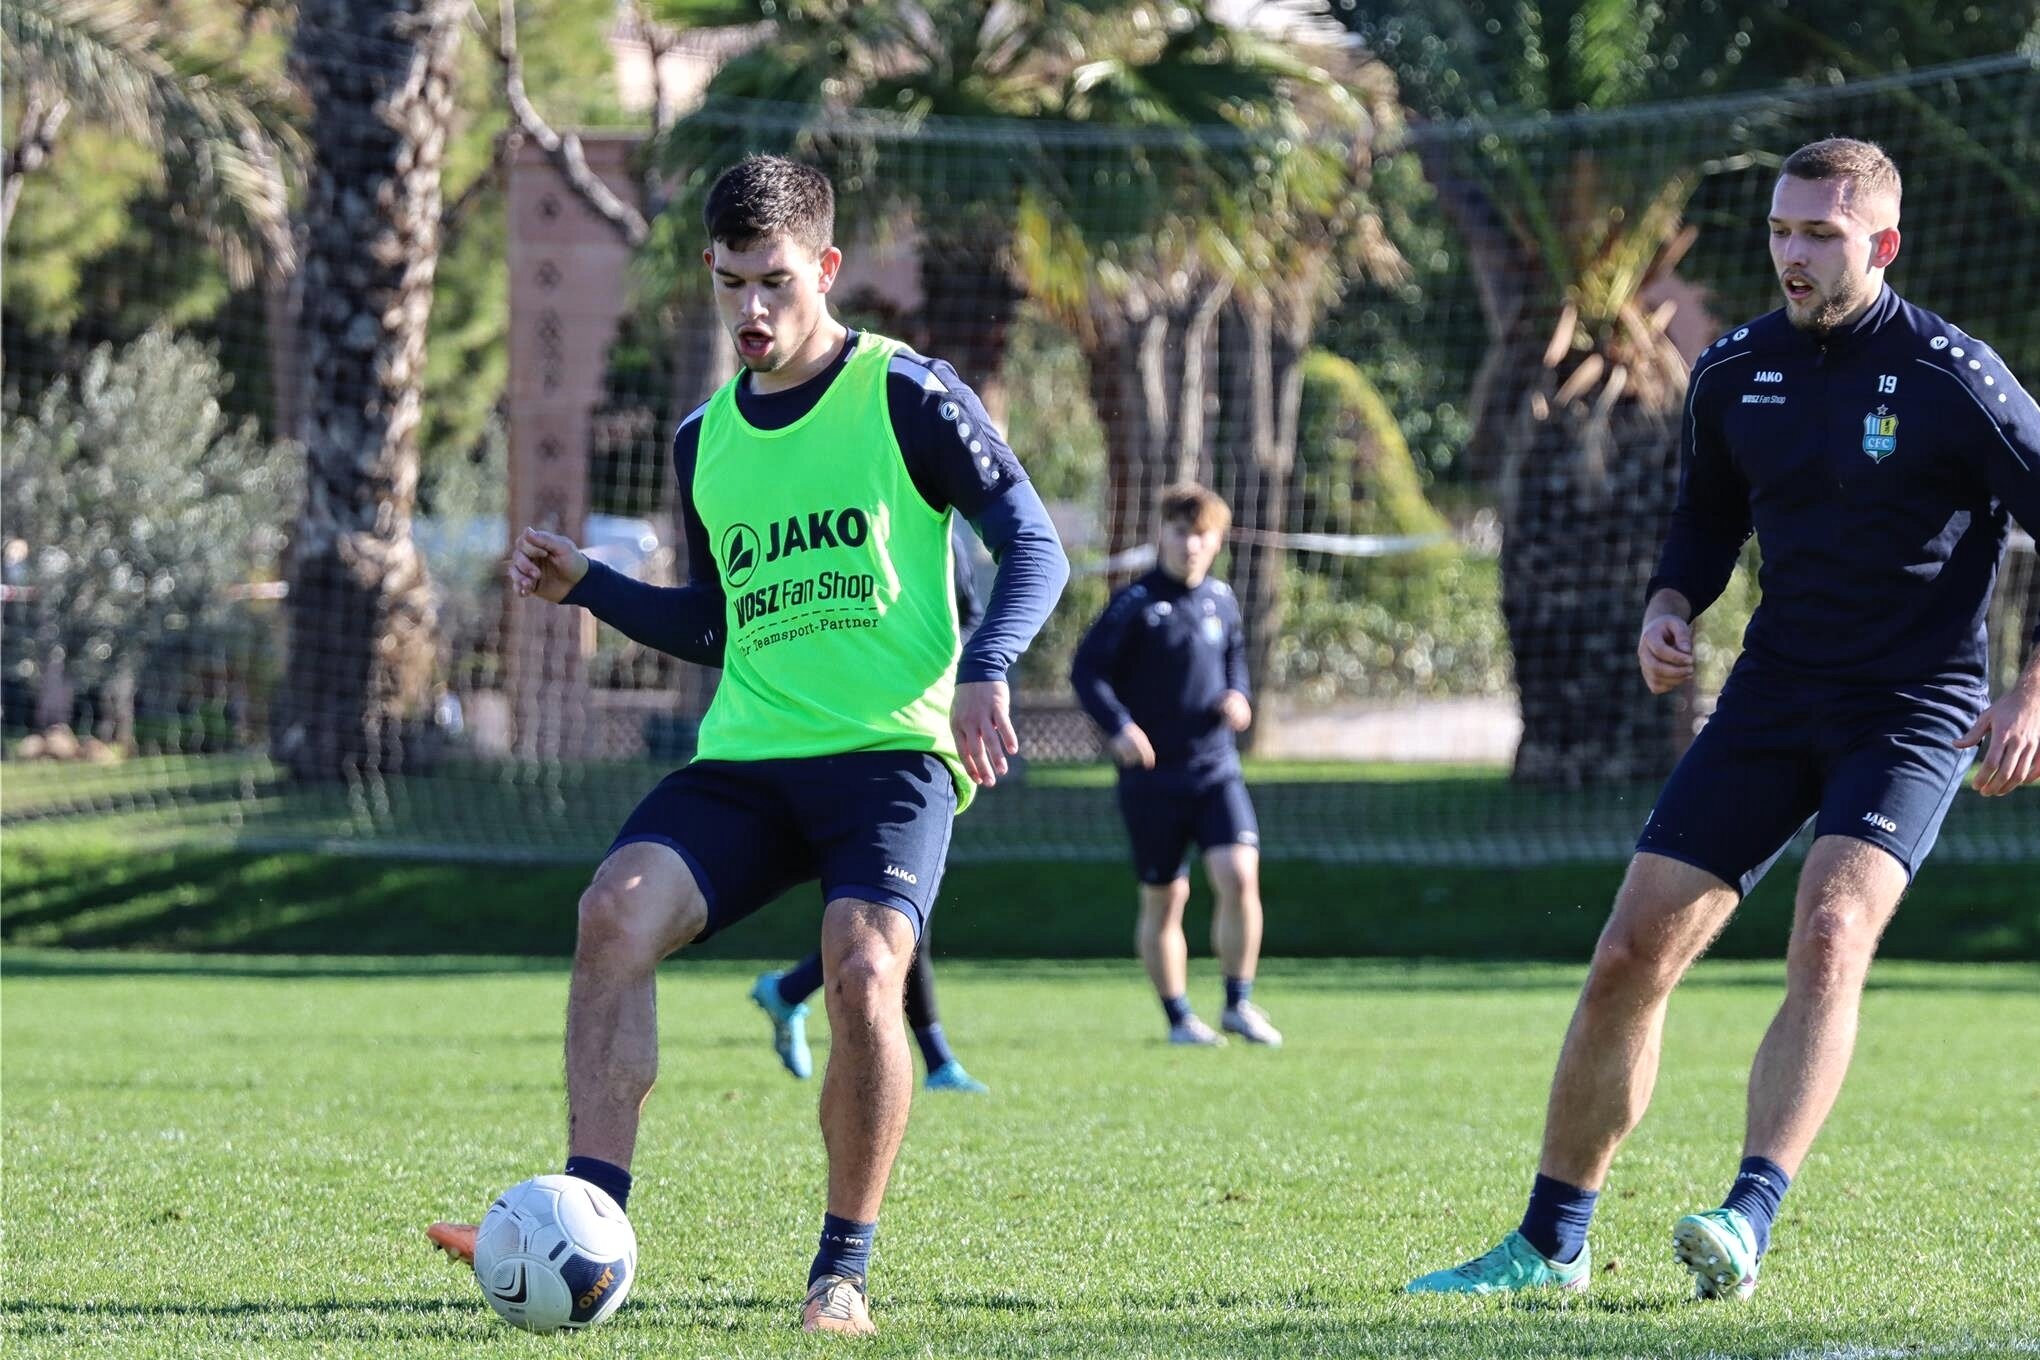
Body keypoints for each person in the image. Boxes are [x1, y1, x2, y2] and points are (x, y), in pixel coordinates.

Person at [426, 154, 1068, 1336]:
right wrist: (592, 587)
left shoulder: (907, 395)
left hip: (889, 757)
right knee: (612, 910)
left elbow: (1035, 546)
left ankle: (843, 1270)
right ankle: (588, 1227)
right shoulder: (702, 440)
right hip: (750, 759)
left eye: (774, 281)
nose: (751, 311)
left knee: (866, 968)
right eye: (730, 285)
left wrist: (985, 668)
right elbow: (718, 622)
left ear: (824, 268)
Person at [1406, 137, 2040, 1301]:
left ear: (1882, 246)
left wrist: (2033, 695)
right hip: (1772, 696)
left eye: (1820, 236)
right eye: (1781, 232)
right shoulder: (1734, 368)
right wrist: (1668, 605)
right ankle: (1551, 1244)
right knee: (1628, 953)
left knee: (1832, 930)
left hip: (1911, 712)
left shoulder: (1954, 374)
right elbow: (1705, 520)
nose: (1793, 256)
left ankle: (1747, 1216)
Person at [752, 519, 992, 1094]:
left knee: (900, 918)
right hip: (849, 750)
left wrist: (972, 692)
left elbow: (972, 618)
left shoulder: (944, 538)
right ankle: (936, 1061)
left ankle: (788, 992)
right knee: (896, 919)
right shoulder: (855, 526)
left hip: (926, 750)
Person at [1070, 483, 1282, 1048]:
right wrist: (1118, 726)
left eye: (1202, 534)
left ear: (1218, 542)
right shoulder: (1134, 604)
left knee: (1240, 876)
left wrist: (1238, 695)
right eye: (1181, 531)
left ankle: (1238, 1002)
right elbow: (1087, 672)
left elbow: (1235, 660)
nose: (1191, 544)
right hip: (1152, 779)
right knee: (1167, 898)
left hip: (1215, 769)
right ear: (1161, 533)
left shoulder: (1221, 601)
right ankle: (1180, 1017)